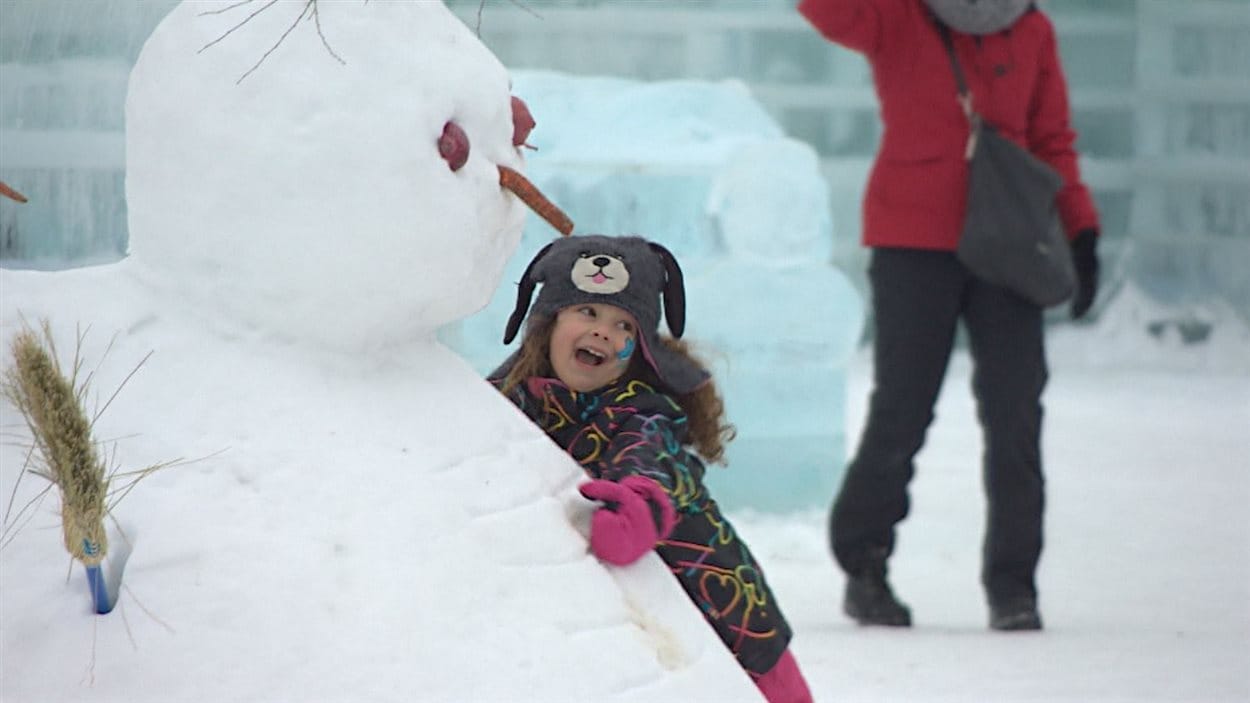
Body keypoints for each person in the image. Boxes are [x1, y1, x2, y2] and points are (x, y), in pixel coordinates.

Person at [797, 0, 1101, 631]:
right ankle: (865, 565)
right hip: (912, 240)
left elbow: (1051, 140)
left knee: (1016, 411)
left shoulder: (1033, 28)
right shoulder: (898, 15)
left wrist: (1081, 230)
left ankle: (1014, 588)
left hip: (1008, 241)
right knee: (903, 407)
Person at [489, 234, 813, 703]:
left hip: (727, 614)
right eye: (587, 312)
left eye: (623, 324)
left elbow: (644, 461)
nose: (603, 331)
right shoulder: (513, 394)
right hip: (640, 619)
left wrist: (636, 508)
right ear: (548, 321)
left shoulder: (641, 410)